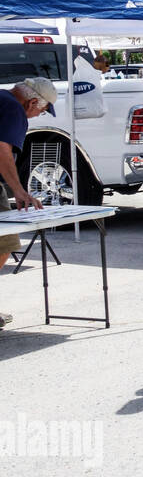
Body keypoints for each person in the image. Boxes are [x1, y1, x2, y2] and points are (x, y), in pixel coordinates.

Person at [0, 79, 57, 325]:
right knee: (4, 242)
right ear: (32, 101)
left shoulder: (1, 96)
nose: (37, 116)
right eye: (41, 110)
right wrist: (19, 191)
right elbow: (2, 150)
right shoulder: (14, 108)